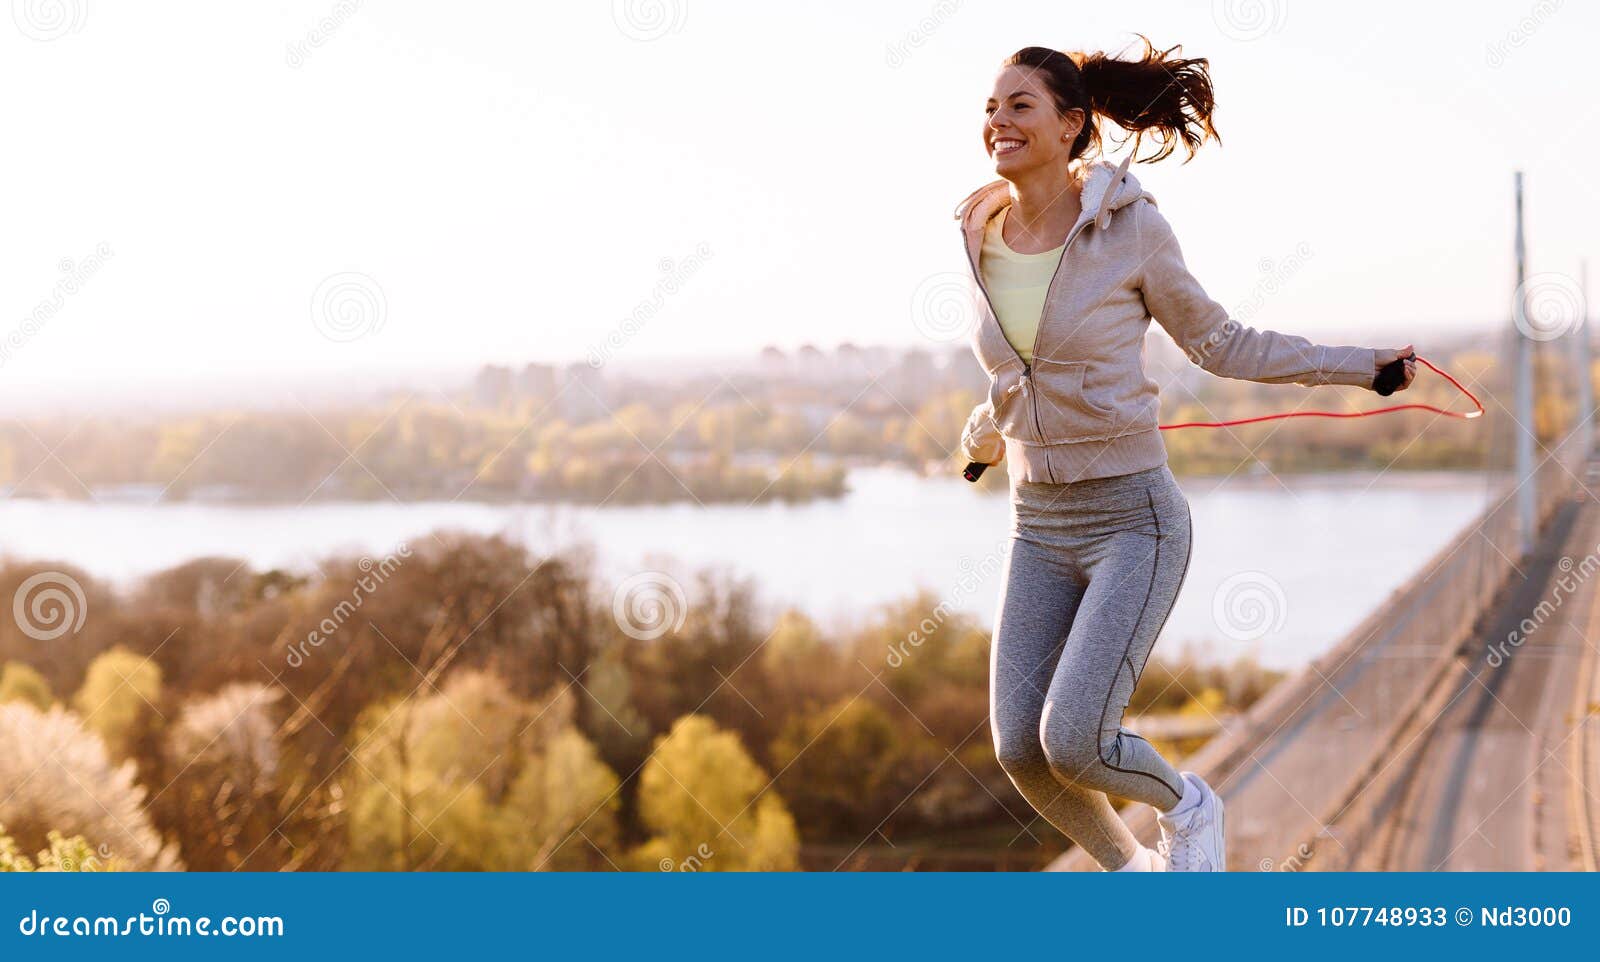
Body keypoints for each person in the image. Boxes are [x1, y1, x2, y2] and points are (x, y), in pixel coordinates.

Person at [955, 37, 1416, 872]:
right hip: (1036, 526)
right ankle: (1138, 875)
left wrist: (1363, 367)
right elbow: (1017, 372)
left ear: (1070, 126)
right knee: (1020, 748)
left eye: (1019, 106)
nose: (998, 122)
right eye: (990, 108)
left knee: (1075, 738)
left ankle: (1191, 807)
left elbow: (1222, 343)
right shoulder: (978, 233)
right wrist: (983, 436)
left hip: (1133, 520)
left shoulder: (1131, 229)